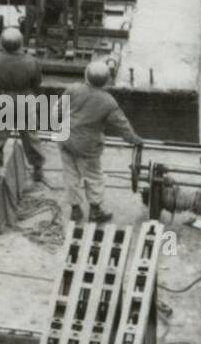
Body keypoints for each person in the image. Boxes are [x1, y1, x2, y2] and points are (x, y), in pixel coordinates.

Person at [60, 61, 143, 223]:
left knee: (70, 174)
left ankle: (76, 210)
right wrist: (136, 140)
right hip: (88, 146)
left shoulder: (73, 89)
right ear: (106, 80)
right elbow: (123, 126)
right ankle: (95, 210)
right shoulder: (108, 102)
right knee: (93, 176)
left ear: (86, 75)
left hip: (65, 138)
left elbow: (57, 111)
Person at [0, 28, 47, 184]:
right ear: (21, 43)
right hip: (25, 101)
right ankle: (37, 169)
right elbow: (37, 83)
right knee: (31, 137)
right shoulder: (32, 62)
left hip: (1, 100)